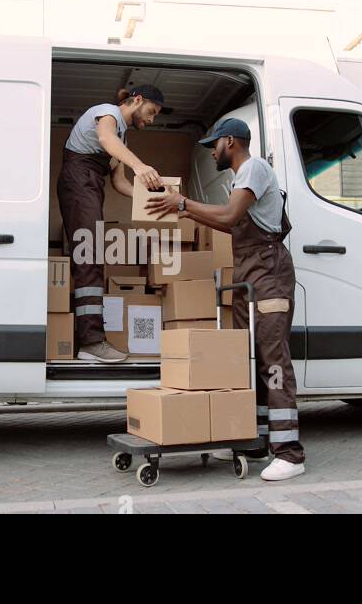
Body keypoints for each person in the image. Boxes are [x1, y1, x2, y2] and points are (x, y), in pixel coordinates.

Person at [144, 118, 306, 481]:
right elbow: (234, 224)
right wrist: (183, 210)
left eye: (213, 145)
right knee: (248, 361)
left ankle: (291, 455)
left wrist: (184, 201)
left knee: (274, 360)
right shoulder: (241, 177)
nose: (211, 152)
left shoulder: (254, 168)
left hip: (268, 273)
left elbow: (232, 214)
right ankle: (257, 442)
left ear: (229, 142)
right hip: (249, 273)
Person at [56, 85, 172, 363]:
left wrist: (156, 199)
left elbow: (119, 183)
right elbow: (106, 138)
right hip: (78, 184)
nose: (152, 119)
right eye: (151, 112)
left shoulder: (123, 139)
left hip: (90, 188)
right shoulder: (107, 114)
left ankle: (91, 340)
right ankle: (91, 343)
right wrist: (140, 166)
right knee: (89, 258)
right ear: (138, 100)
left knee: (93, 258)